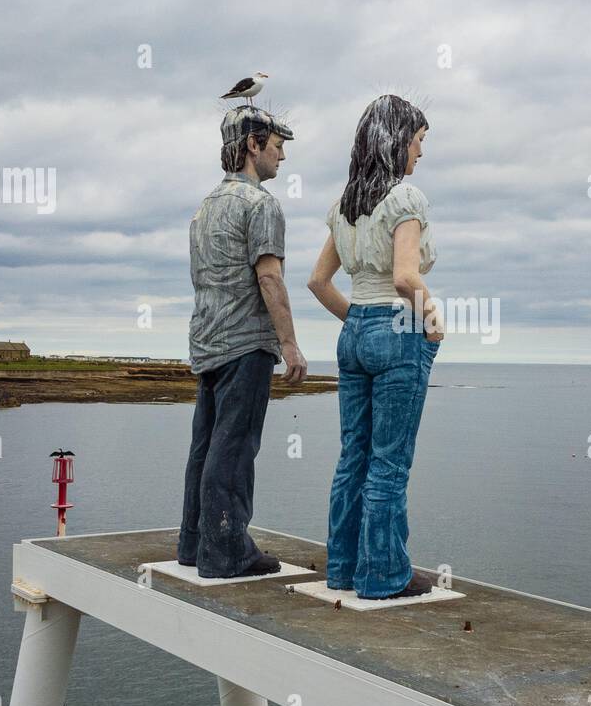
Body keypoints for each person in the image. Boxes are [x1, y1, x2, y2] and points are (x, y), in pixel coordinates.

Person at [308, 95, 443, 599]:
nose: (420, 153)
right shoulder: (407, 200)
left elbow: (319, 282)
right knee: (390, 462)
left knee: (353, 458)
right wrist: (433, 324)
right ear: (396, 142)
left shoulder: (344, 207)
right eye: (418, 141)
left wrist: (360, 325)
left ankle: (342, 569)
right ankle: (384, 575)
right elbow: (406, 277)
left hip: (356, 333)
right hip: (398, 326)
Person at [176, 105, 308, 578]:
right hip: (246, 343)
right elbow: (269, 278)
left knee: (206, 445)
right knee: (234, 448)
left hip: (206, 342)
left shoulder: (204, 208)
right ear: (253, 145)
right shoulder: (261, 205)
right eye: (277, 146)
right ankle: (228, 550)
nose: (282, 157)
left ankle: (194, 544)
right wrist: (289, 344)